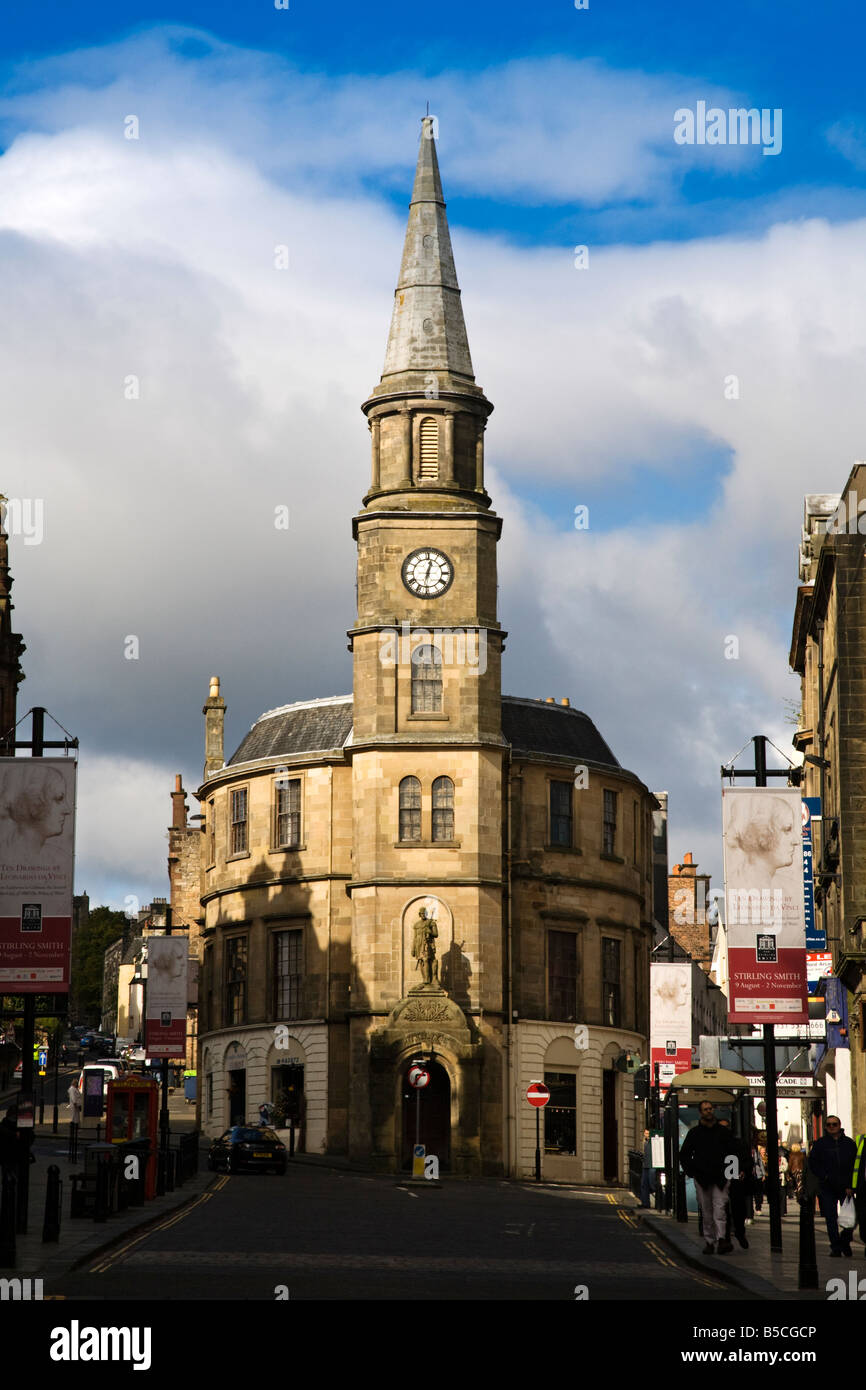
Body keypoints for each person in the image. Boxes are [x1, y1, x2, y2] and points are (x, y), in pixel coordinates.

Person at [679, 1100, 734, 1255]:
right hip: (702, 1178)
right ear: (700, 1113)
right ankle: (710, 1241)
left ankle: (722, 1239)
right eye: (705, 1109)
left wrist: (732, 1175)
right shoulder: (695, 1133)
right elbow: (684, 1155)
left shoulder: (723, 1132)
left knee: (720, 1210)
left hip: (721, 1178)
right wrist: (692, 1172)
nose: (709, 1111)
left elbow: (733, 1153)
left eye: (710, 1109)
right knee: (707, 1211)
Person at [808, 1116, 857, 1256]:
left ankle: (845, 1241)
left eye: (834, 1124)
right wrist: (824, 1176)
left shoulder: (849, 1143)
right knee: (830, 1218)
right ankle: (836, 1247)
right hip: (827, 1186)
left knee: (851, 1218)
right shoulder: (820, 1144)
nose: (831, 1127)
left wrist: (850, 1185)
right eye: (828, 1125)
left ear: (839, 1125)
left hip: (845, 1187)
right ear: (825, 1127)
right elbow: (813, 1163)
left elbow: (854, 1166)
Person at [718, 1120, 750, 1249]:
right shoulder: (716, 1144)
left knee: (739, 1209)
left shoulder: (739, 1143)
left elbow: (747, 1160)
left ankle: (740, 1233)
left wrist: (744, 1171)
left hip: (736, 1180)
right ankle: (725, 1239)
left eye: (727, 1127)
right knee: (722, 1210)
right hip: (720, 1181)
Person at [640, 1129, 656, 1209]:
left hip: (652, 1166)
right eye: (645, 1133)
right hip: (645, 1166)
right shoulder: (645, 1141)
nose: (647, 1135)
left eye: (648, 1133)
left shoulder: (653, 1141)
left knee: (652, 1185)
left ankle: (661, 1202)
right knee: (644, 1185)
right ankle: (645, 1203)